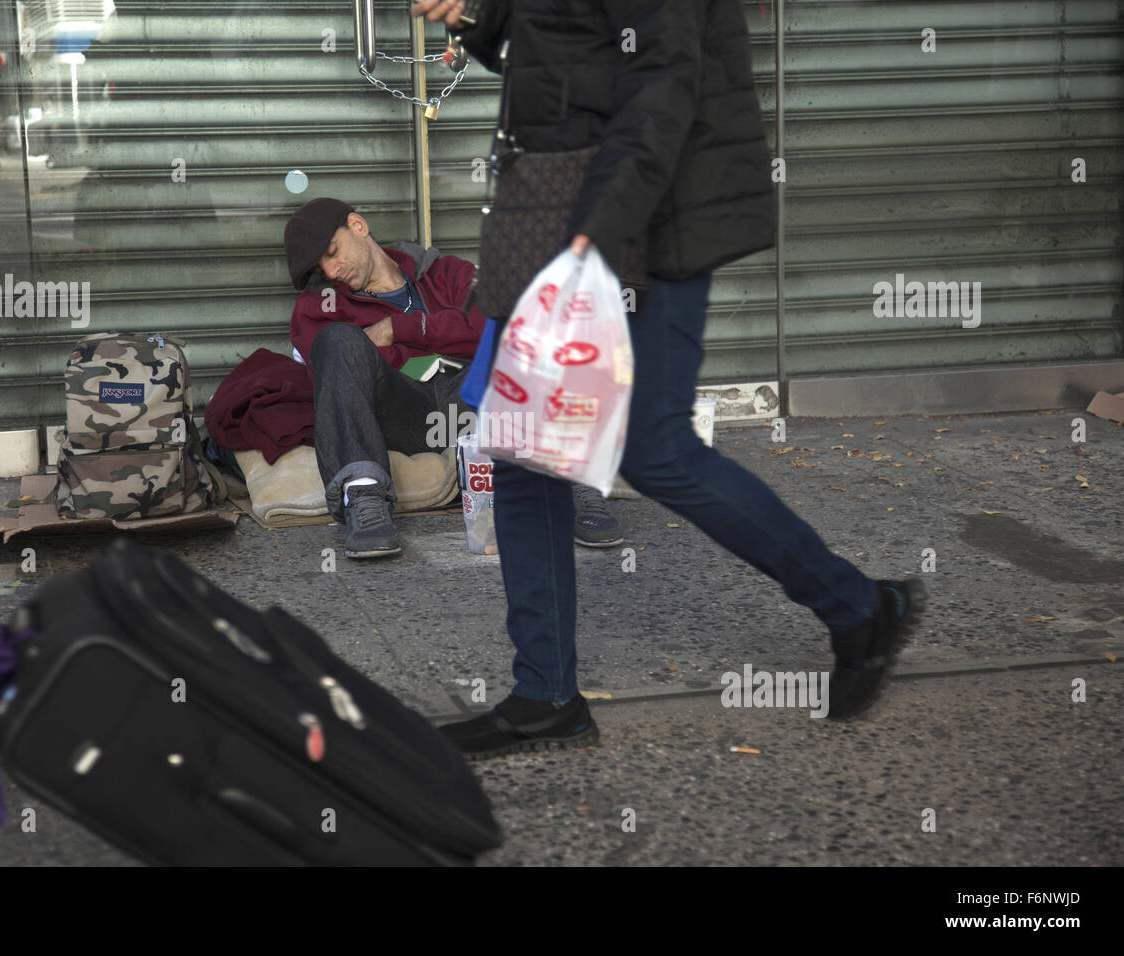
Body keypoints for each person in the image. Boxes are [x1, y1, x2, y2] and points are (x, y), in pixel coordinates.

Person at [412, 0, 928, 756]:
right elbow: (561, 61)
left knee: (653, 447)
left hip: (645, 216)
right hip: (554, 208)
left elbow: (664, 82)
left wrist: (595, 231)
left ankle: (859, 607)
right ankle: (546, 695)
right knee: (522, 445)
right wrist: (483, 15)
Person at [284, 198, 624, 557]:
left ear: (358, 226)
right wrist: (447, 335)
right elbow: (338, 376)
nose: (332, 272)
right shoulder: (320, 309)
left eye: (333, 252)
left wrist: (397, 329)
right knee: (338, 340)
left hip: (476, 406)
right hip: (403, 416)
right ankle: (364, 498)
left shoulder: (448, 273)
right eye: (323, 268)